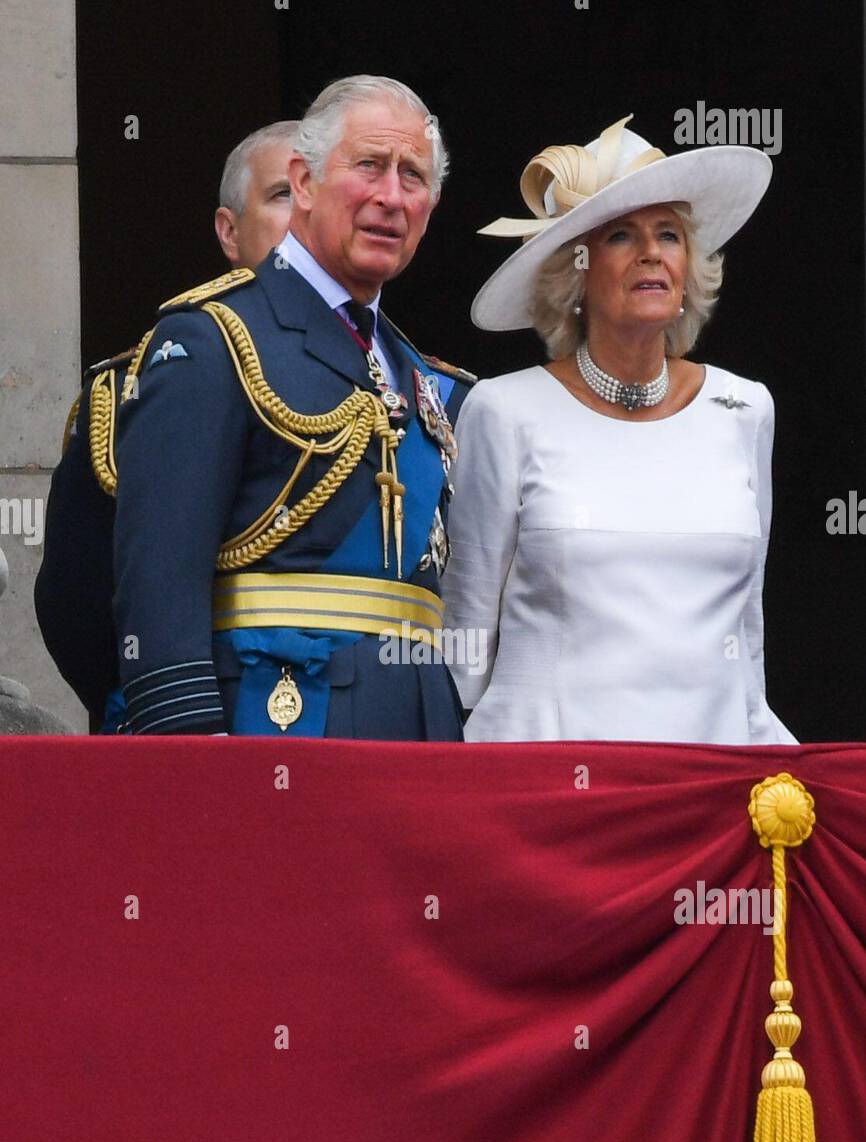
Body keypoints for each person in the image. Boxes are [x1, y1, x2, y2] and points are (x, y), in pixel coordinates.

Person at [111, 75, 474, 738]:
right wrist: (188, 746)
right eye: (368, 165)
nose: (391, 196)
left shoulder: (420, 374)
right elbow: (159, 576)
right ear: (303, 182)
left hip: (418, 733)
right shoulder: (215, 338)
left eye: (413, 177)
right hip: (273, 721)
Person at [442, 115, 797, 745]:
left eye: (668, 234)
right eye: (621, 237)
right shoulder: (503, 409)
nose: (651, 252)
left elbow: (747, 632)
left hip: (707, 784)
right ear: (575, 272)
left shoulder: (745, 408)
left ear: (689, 269)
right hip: (550, 785)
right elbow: (466, 636)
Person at [35, 121, 299, 729]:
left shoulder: (410, 382)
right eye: (283, 194)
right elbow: (76, 603)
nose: (304, 215)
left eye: (317, 195)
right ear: (229, 232)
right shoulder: (134, 386)